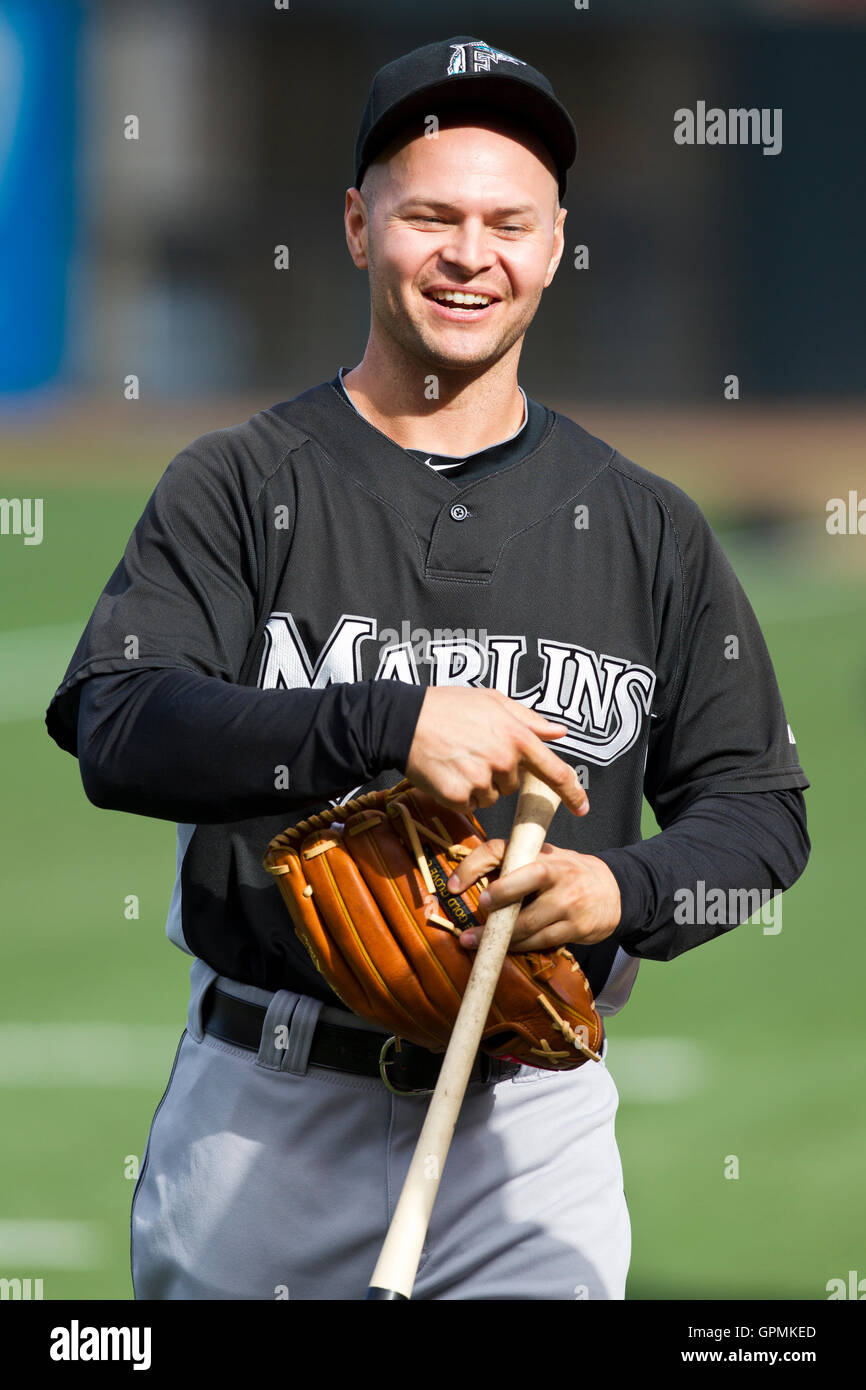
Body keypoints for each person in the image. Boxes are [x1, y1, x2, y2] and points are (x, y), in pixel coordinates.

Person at [46, 35, 809, 1301]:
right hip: (266, 1119)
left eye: (506, 222)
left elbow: (757, 814)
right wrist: (383, 720)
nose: (470, 254)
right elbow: (119, 725)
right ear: (357, 227)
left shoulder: (644, 524)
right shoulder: (238, 484)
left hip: (527, 1132)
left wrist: (622, 889)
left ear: (554, 243)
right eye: (430, 216)